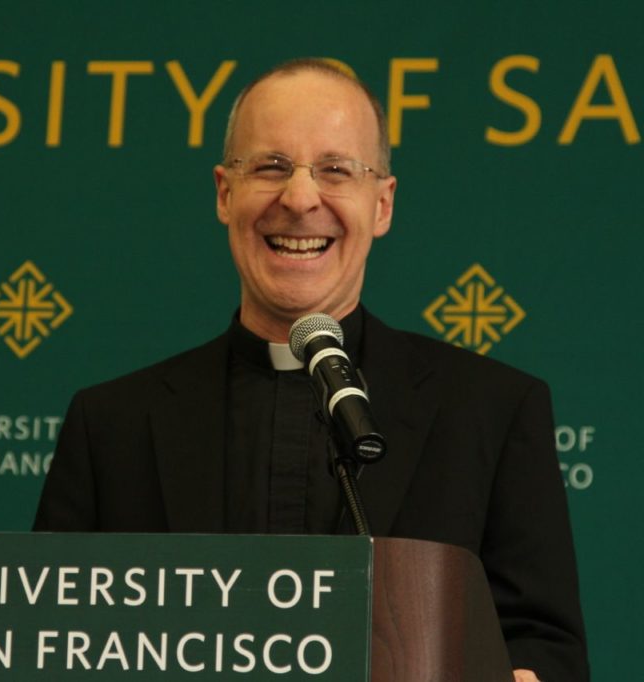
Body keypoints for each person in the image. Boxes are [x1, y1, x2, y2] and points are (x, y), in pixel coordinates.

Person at [34, 58, 589, 681]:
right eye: (270, 167)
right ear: (224, 193)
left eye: (335, 170)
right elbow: (49, 641)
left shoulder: (492, 409)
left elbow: (544, 647)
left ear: (382, 206)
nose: (300, 199)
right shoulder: (111, 424)